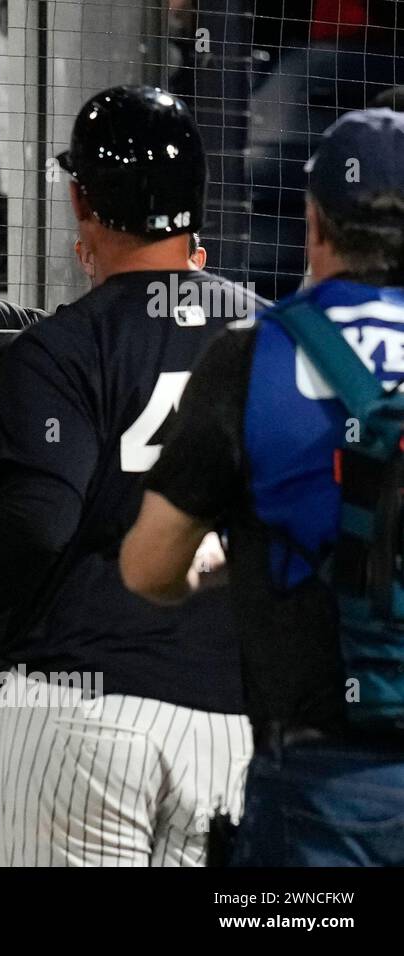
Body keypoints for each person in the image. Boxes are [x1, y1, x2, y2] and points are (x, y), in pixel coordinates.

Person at [0, 39, 264, 866]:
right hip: (224, 719)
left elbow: (38, 521)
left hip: (68, 709)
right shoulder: (267, 336)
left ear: (84, 204)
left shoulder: (50, 352)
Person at [121, 107, 404, 866]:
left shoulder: (254, 354)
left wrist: (219, 564)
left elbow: (148, 568)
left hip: (317, 789)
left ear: (314, 222)